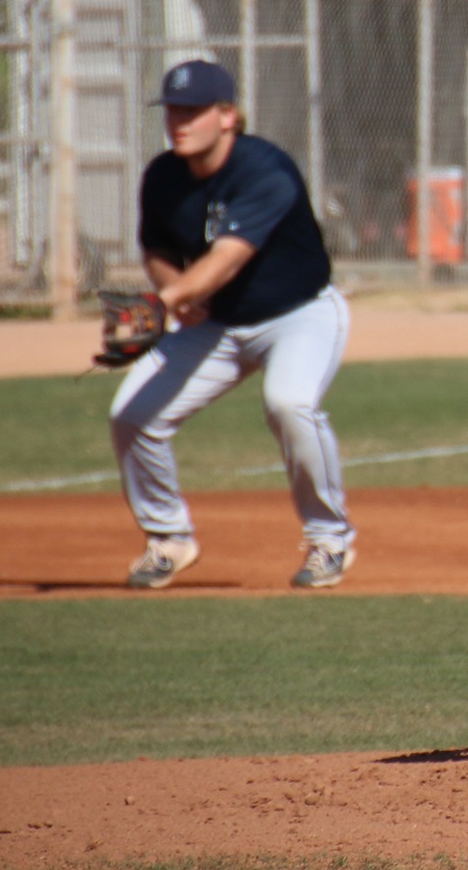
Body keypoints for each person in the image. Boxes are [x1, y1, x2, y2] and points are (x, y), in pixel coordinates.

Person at [109, 59, 356, 590]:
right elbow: (156, 250)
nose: (179, 121)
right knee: (133, 415)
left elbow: (227, 259)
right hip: (216, 324)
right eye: (173, 110)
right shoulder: (163, 176)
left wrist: (166, 299)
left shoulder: (265, 170)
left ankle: (330, 540)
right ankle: (168, 538)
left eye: (193, 111)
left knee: (289, 403)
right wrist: (176, 296)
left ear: (227, 116)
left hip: (299, 315)